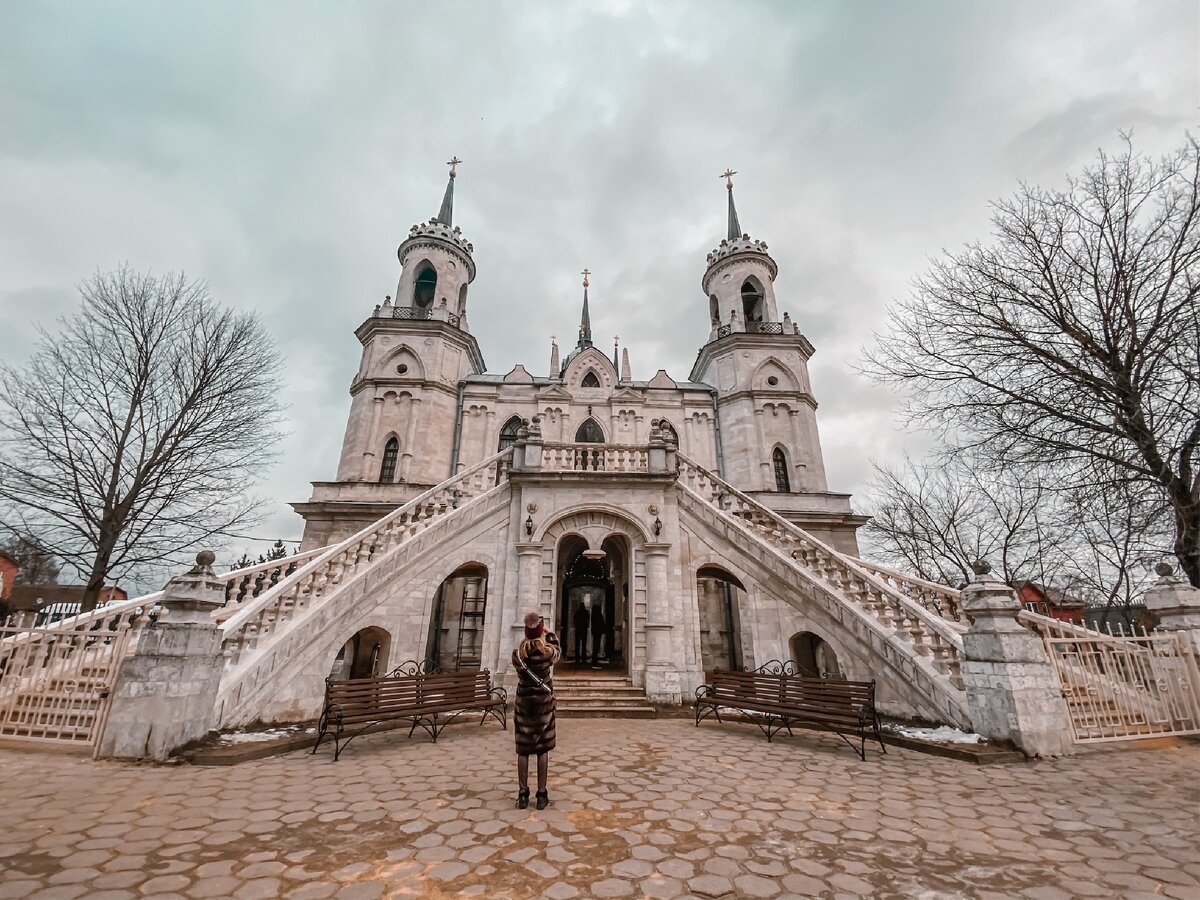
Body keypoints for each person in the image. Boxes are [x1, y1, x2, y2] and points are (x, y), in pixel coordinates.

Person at [512, 611, 560, 810]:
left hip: (524, 705)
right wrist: (549, 634)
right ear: (541, 632)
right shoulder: (546, 652)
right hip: (542, 704)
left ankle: (523, 794)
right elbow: (557, 650)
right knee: (542, 750)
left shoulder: (518, 655)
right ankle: (541, 794)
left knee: (523, 751)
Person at [590, 601, 606, 667]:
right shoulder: (598, 615)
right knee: (596, 646)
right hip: (598, 632)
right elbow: (601, 623)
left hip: (595, 632)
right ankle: (594, 660)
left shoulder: (593, 615)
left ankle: (594, 660)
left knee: (595, 646)